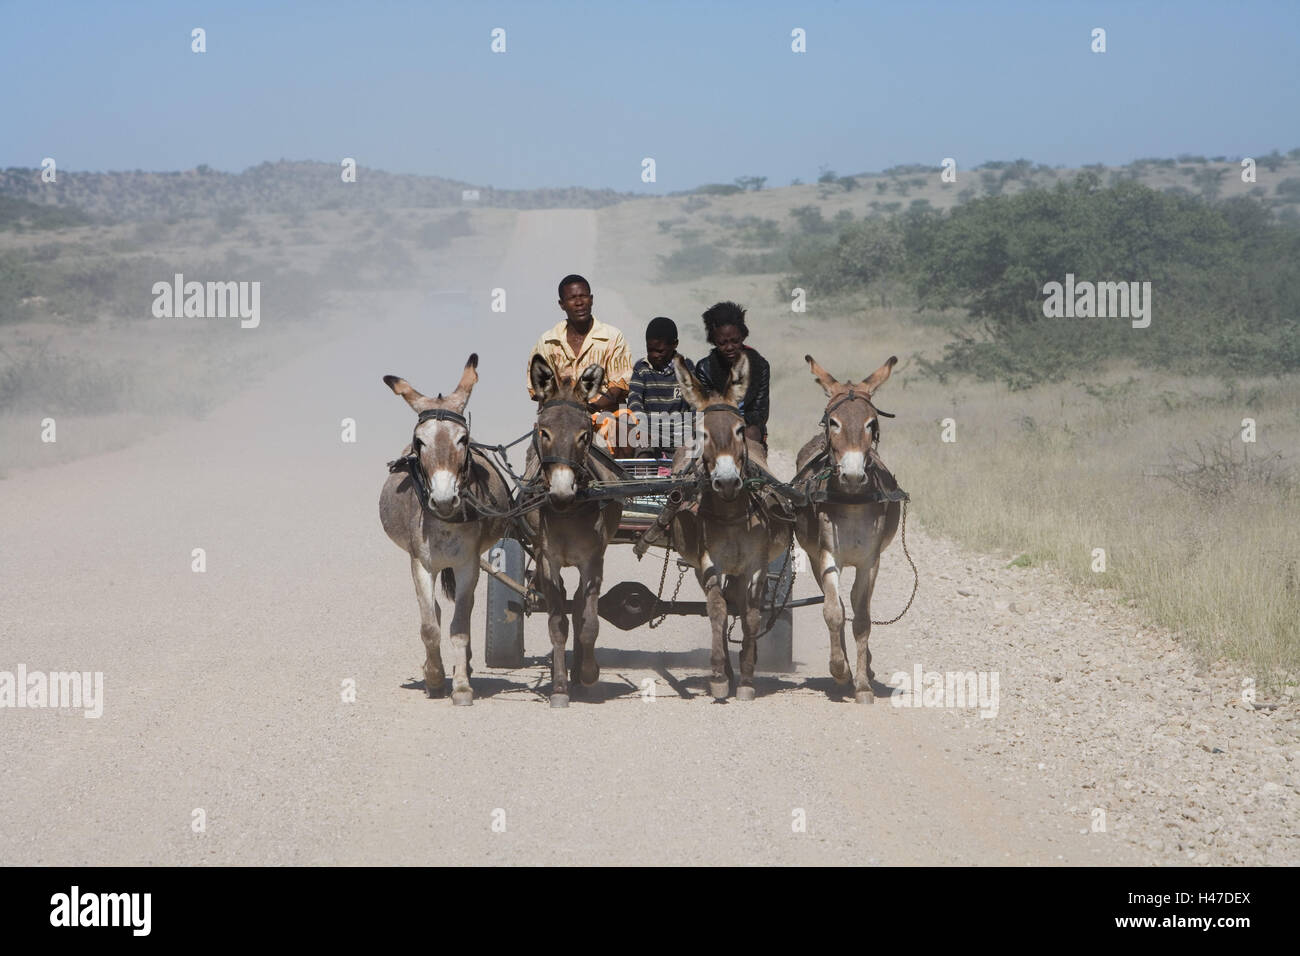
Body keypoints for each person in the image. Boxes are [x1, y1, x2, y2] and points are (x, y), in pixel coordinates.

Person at [525, 274, 632, 412]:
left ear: (591, 300)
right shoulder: (547, 342)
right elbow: (543, 390)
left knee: (621, 431)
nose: (579, 302)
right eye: (572, 298)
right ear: (562, 304)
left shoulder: (613, 337)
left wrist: (588, 409)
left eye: (583, 296)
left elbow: (618, 386)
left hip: (606, 414)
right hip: (563, 415)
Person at [693, 301, 770, 450]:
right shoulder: (704, 369)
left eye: (735, 341)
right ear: (714, 341)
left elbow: (760, 413)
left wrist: (736, 424)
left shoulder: (760, 366)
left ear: (743, 336)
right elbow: (703, 410)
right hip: (714, 424)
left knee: (751, 433)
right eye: (723, 343)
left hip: (748, 427)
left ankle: (750, 471)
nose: (729, 347)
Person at [626, 316, 695, 454]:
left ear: (674, 344)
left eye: (660, 351)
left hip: (680, 436)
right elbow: (634, 399)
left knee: (690, 460)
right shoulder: (642, 368)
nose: (654, 355)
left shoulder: (686, 368)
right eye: (650, 350)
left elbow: (694, 403)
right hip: (650, 433)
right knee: (643, 452)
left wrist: (693, 429)